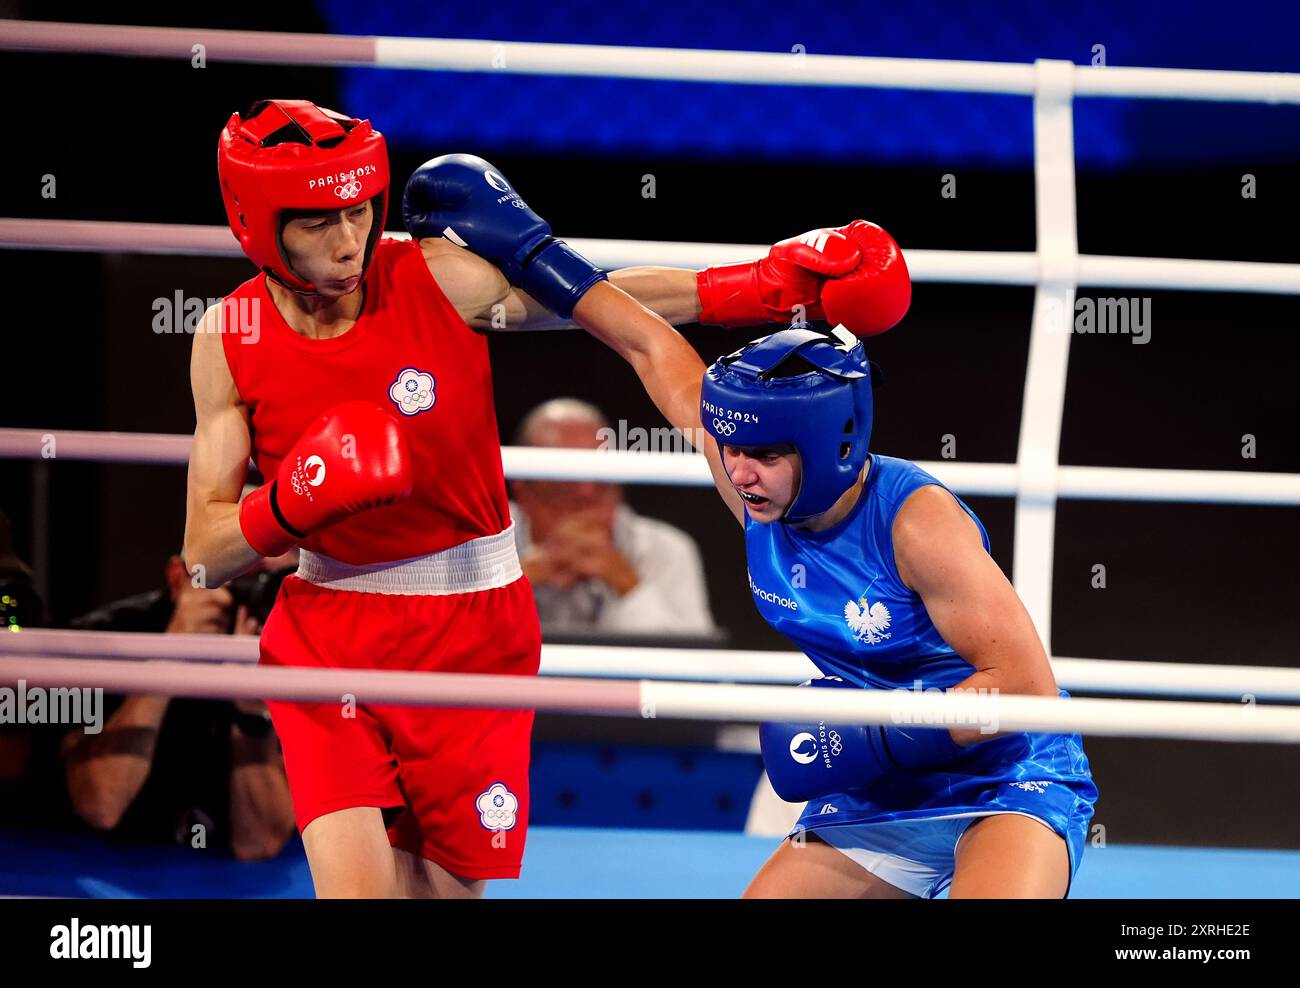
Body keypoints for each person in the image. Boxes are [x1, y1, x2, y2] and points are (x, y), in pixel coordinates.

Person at [191, 99, 881, 898]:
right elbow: (203, 554)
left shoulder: (435, 278)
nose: (348, 242)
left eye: (358, 210)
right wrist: (294, 498)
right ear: (257, 221)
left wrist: (762, 288)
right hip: (326, 629)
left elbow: (599, 302)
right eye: (316, 223)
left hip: (474, 627)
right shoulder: (227, 334)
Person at [420, 158, 1097, 899]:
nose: (738, 474)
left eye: (764, 456)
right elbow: (645, 342)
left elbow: (1025, 687)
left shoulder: (915, 520)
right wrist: (534, 252)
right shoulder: (747, 478)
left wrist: (881, 732)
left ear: (834, 445)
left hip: (1005, 779)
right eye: (730, 449)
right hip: (880, 790)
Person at [61, 547, 297, 860]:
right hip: (98, 867)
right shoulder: (104, 639)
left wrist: (252, 706)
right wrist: (170, 653)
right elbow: (101, 806)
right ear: (179, 578)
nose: (257, 594)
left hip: (225, 879)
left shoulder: (300, 648)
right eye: (244, 576)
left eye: (275, 582)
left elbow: (259, 843)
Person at [510, 398, 716, 635]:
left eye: (602, 488)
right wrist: (515, 585)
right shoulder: (481, 541)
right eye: (564, 491)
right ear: (523, 493)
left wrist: (626, 584)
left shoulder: (664, 548)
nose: (585, 512)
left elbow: (694, 663)